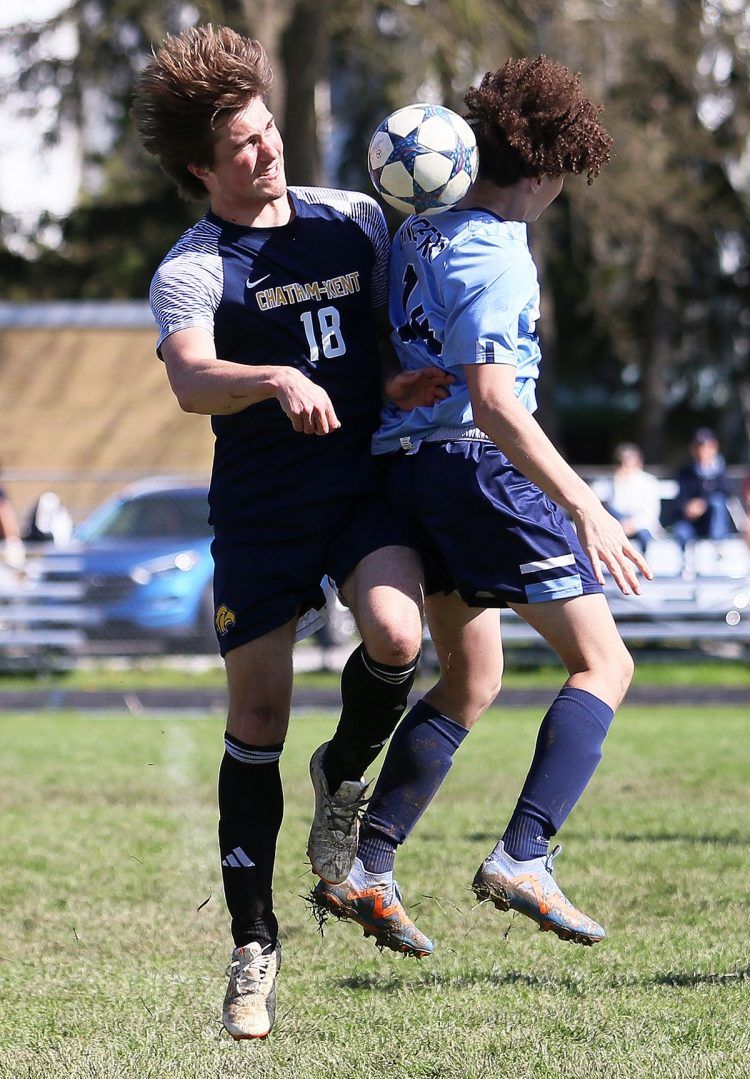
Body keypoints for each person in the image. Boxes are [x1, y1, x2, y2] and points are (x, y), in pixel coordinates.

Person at [132, 25, 451, 1040]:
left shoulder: (353, 220)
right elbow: (189, 378)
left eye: (269, 133)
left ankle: (344, 775)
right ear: (202, 167)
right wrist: (271, 377)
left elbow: (381, 341)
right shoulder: (194, 267)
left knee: (400, 640)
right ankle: (253, 942)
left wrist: (394, 380)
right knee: (259, 713)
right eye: (244, 147)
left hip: (359, 489)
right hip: (266, 512)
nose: (269, 154)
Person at [312, 56, 651, 957]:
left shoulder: (419, 231)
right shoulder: (500, 253)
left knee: (471, 678)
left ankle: (368, 863)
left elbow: (391, 330)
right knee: (604, 664)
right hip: (477, 470)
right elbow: (497, 401)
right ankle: (526, 854)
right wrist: (584, 504)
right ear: (540, 170)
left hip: (409, 472)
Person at [673, 428, 734, 554]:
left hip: (714, 523)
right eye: (699, 447)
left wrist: (703, 504)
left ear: (714, 447)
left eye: (706, 447)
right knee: (681, 532)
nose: (702, 451)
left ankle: (718, 548)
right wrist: (687, 507)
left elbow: (728, 493)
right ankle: (686, 564)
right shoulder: (685, 473)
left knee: (717, 502)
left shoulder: (721, 472)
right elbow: (679, 498)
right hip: (691, 521)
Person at [596, 443, 662, 554]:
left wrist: (632, 524)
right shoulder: (609, 482)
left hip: (641, 526)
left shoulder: (649, 483)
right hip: (616, 524)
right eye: (621, 464)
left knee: (644, 537)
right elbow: (604, 503)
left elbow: (651, 514)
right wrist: (617, 484)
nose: (624, 467)